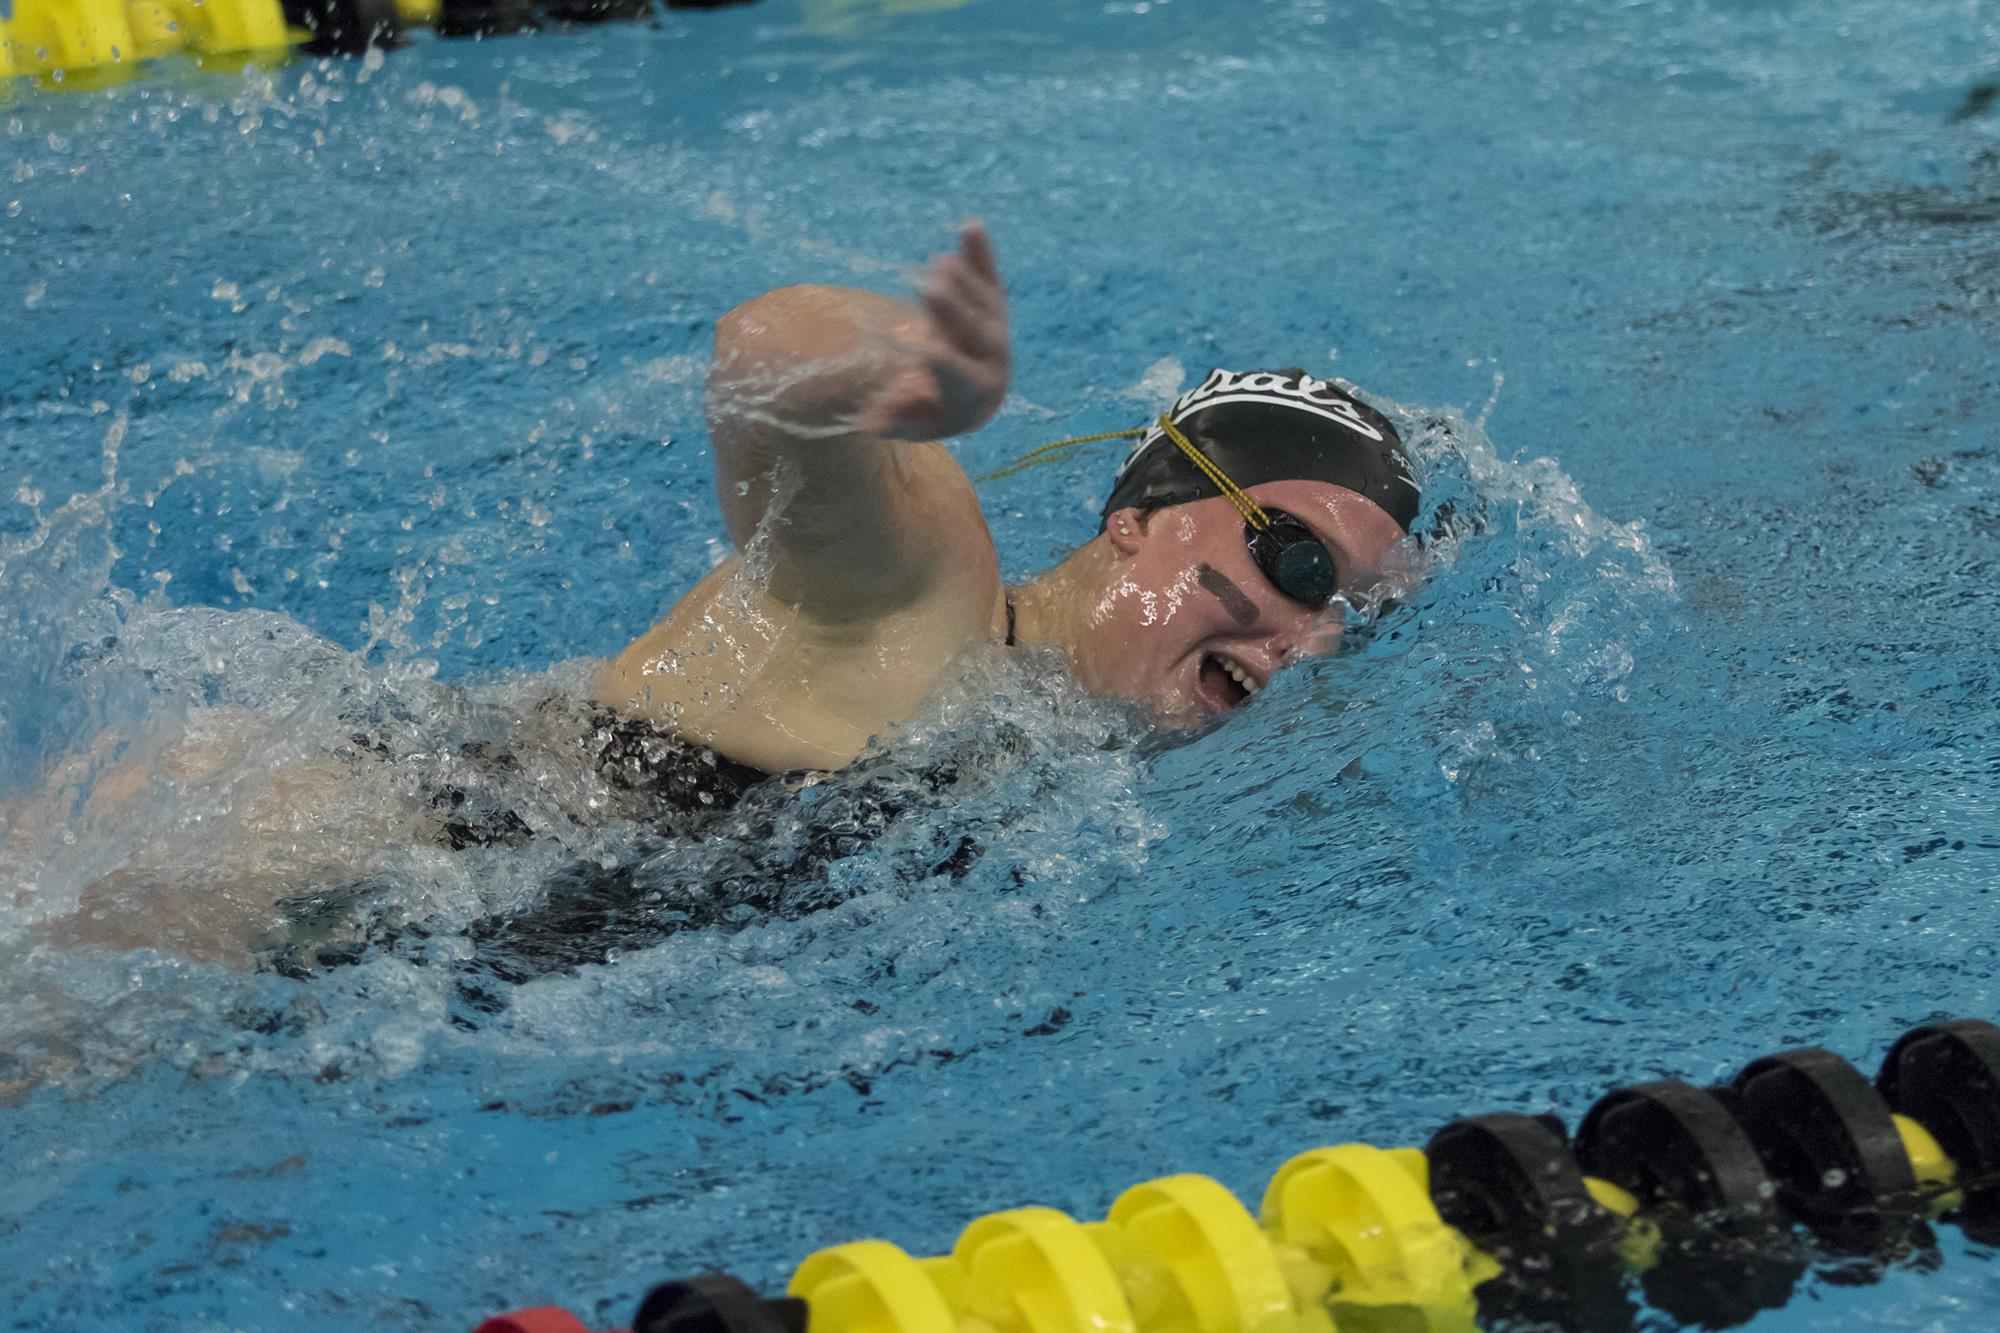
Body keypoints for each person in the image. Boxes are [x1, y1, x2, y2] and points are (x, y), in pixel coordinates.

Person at [594, 220, 1421, 782]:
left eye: (1354, 616)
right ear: (1136, 519)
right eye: (1303, 564)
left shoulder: (1057, 750)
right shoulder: (920, 587)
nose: (1311, 642)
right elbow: (760, 349)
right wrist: (907, 362)